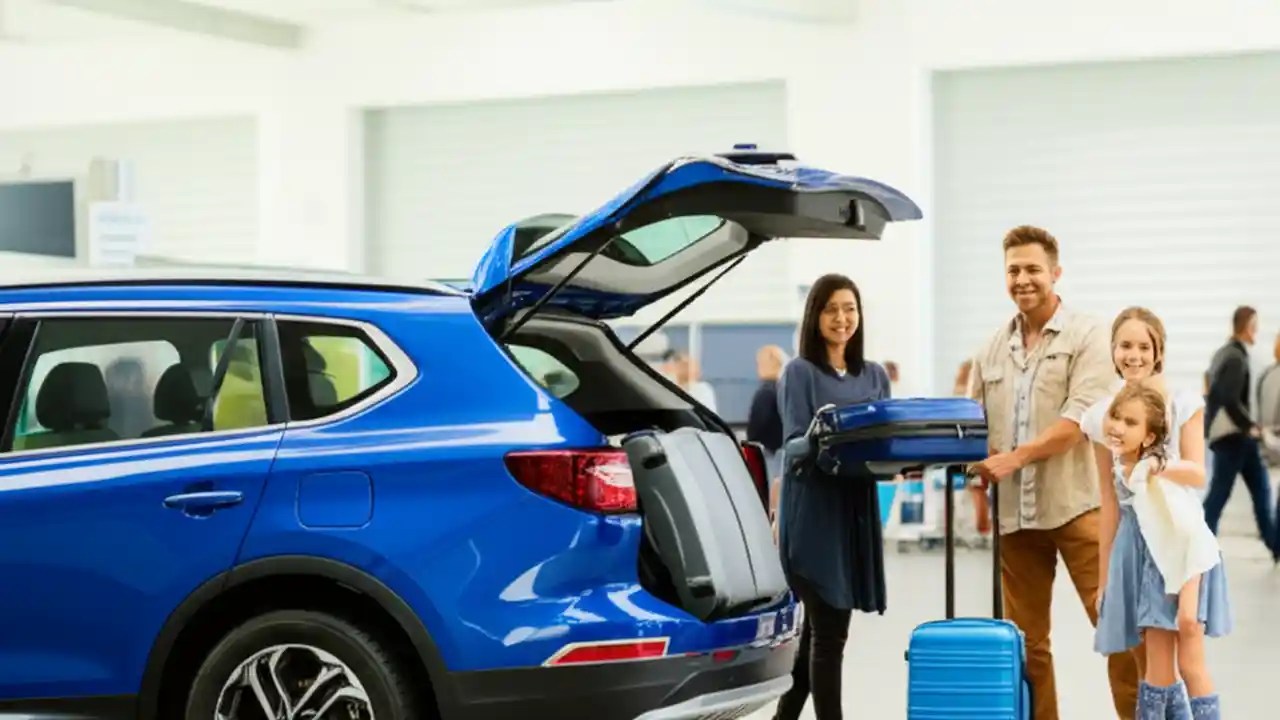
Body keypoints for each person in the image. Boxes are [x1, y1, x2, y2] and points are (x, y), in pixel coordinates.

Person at [968, 225, 1141, 720]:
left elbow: (1080, 420)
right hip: (1016, 520)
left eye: (1033, 270)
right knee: (1027, 648)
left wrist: (1016, 457)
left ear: (1056, 273)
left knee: (1117, 629)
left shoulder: (1088, 335)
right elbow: (974, 422)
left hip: (1078, 506)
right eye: (1014, 271)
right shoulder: (990, 351)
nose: (1023, 279)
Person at [1081, 307, 1231, 719]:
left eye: (1144, 346)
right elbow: (1109, 501)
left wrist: (1155, 466)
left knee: (1185, 646)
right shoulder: (1101, 418)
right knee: (1153, 662)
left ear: (1158, 351)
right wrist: (1104, 574)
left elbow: (1198, 473)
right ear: (1113, 350)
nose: (1134, 355)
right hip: (1134, 541)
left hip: (1177, 536)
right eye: (1125, 345)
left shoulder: (1182, 402)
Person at [772, 273, 892, 720]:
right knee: (830, 634)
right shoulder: (799, 373)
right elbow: (793, 446)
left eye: (850, 309)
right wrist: (830, 435)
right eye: (831, 309)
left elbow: (883, 446)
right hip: (814, 516)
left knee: (816, 642)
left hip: (855, 513)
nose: (842, 319)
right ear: (815, 316)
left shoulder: (874, 375)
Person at [1201, 306, 1277, 559]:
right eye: (1255, 325)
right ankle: (1200, 544)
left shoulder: (1224, 353)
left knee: (1255, 490)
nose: (1257, 331)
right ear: (1247, 326)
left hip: (1230, 437)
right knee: (1223, 493)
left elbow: (1211, 388)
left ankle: (1276, 545)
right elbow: (1229, 398)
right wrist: (1249, 427)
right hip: (1234, 437)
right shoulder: (1235, 357)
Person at [747, 344, 786, 479]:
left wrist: (750, 442)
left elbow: (758, 422)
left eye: (761, 362)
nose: (758, 367)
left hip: (769, 455)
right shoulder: (784, 389)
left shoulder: (766, 392)